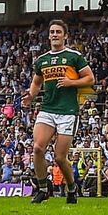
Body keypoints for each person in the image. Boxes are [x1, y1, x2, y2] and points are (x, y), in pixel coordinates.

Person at [25, 18, 95, 204]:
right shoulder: (42, 60)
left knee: (59, 157)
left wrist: (72, 83)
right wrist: (30, 96)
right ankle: (42, 188)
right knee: (38, 148)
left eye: (58, 32)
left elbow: (90, 79)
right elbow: (36, 82)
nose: (55, 35)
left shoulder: (74, 56)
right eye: (52, 32)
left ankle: (72, 187)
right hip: (47, 108)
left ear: (65, 36)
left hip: (68, 111)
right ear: (49, 36)